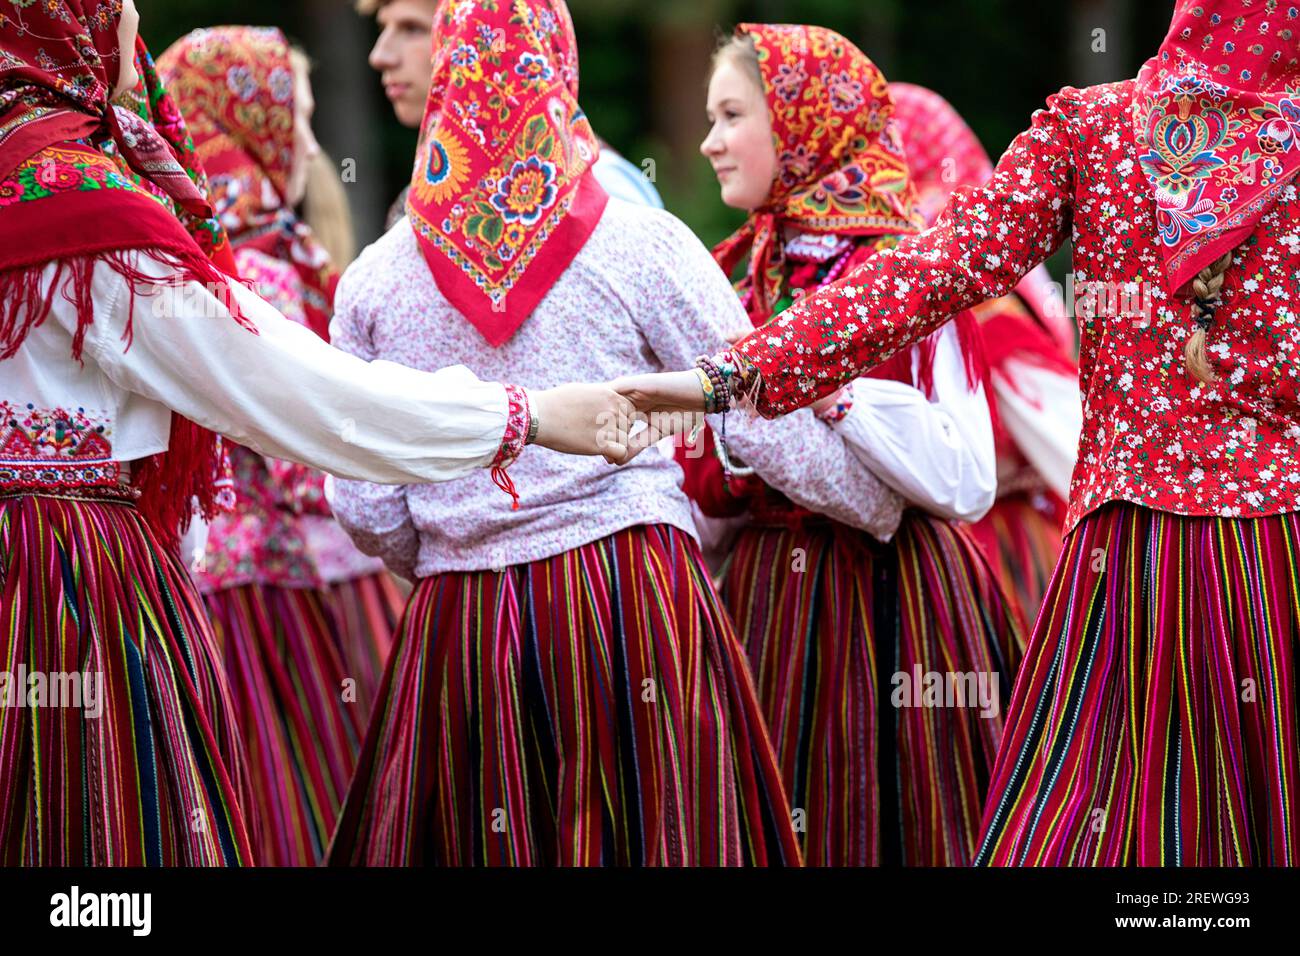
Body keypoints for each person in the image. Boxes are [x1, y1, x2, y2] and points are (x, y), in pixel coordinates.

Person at [618, 0, 1300, 866]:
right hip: (1258, 552)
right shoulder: (1105, 131)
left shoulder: (1095, 129)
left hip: (1130, 558)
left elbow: (933, 268)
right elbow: (930, 266)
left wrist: (736, 373)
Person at [0, 0, 632, 867]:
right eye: (117, 13)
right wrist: (523, 417)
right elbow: (286, 390)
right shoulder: (78, 210)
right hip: (61, 580)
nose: (133, 33)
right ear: (69, 28)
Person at [326, 0, 802, 867]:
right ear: (559, 74)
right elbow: (757, 403)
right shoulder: (642, 243)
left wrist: (452, 545)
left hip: (461, 620)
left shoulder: (373, 281)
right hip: (633, 598)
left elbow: (360, 499)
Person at [676, 24, 1018, 867]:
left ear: (799, 125)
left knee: (903, 820)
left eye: (730, 115)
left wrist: (834, 391)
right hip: (767, 598)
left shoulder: (905, 273)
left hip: (902, 603)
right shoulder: (736, 274)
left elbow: (966, 477)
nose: (709, 142)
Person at [157, 25, 397, 866]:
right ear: (248, 128)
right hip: (286, 603)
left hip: (246, 590)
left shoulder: (212, 251)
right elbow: (311, 457)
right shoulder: (254, 272)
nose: (306, 145)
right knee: (310, 811)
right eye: (292, 119)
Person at [889, 82, 1082, 629]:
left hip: (981, 553)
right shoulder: (1003, 263)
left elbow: (1065, 436)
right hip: (994, 539)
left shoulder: (951, 270)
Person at [357, 0, 664, 225]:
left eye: (412, 28)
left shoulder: (605, 192)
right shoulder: (422, 201)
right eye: (384, 28)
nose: (380, 56)